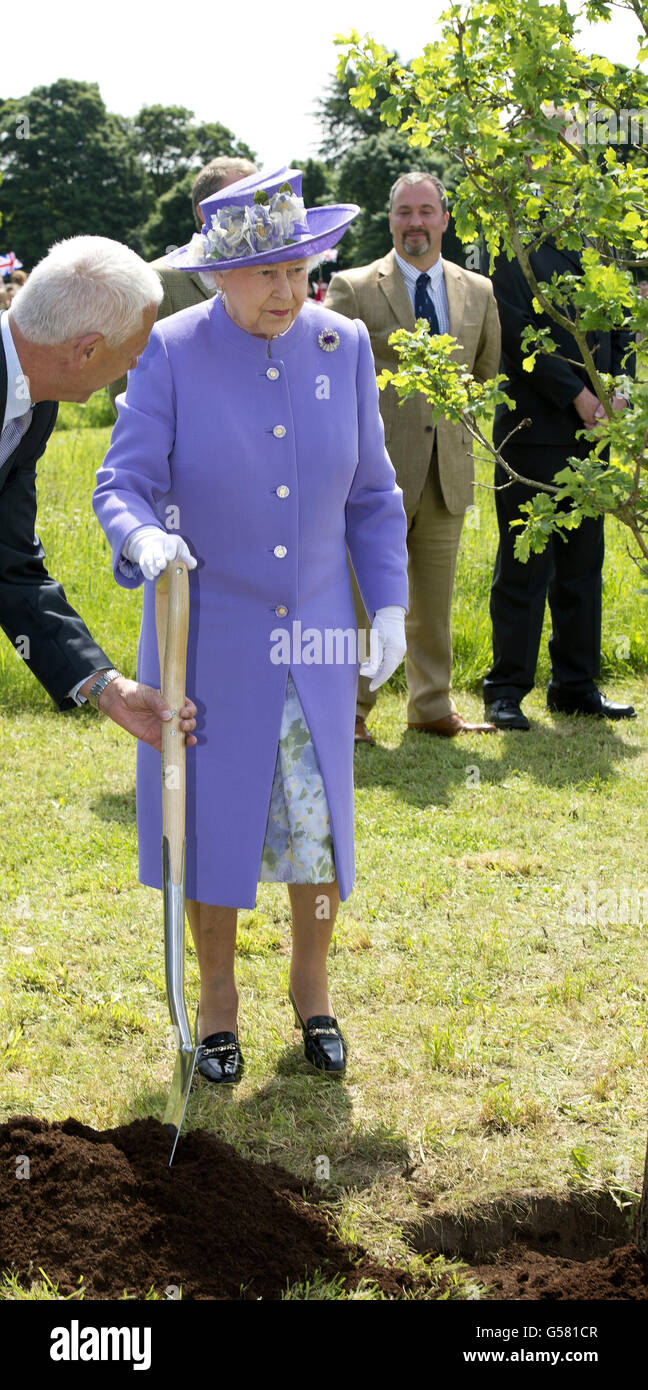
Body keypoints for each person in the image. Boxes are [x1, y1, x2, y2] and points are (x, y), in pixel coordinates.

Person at [93, 166, 409, 1080]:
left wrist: (384, 604)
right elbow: (124, 482)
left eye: (299, 267)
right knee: (213, 819)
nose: (288, 291)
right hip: (209, 636)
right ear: (215, 274)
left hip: (315, 636)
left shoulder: (342, 345)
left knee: (317, 826)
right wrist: (144, 538)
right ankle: (220, 998)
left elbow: (373, 495)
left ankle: (311, 991)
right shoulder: (172, 350)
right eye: (265, 273)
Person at [1, 235, 196, 748]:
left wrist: (107, 689)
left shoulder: (34, 405)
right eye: (134, 351)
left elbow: (10, 564)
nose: (135, 367)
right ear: (86, 349)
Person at [327, 171, 501, 743]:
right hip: (373, 477)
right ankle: (350, 711)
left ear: (445, 219)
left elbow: (486, 376)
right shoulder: (352, 288)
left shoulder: (478, 291)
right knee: (362, 600)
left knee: (433, 601)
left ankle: (430, 706)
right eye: (404, 212)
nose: (416, 223)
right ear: (391, 219)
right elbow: (330, 383)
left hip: (446, 473)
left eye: (427, 211)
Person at [482, 240, 636, 730]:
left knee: (583, 564)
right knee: (523, 566)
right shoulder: (508, 236)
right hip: (533, 430)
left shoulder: (600, 236)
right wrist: (577, 396)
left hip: (596, 432)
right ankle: (505, 690)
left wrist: (619, 391)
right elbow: (512, 327)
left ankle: (575, 686)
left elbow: (621, 320)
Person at [107, 154, 257, 413]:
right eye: (242, 199)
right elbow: (124, 385)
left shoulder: (271, 278)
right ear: (204, 211)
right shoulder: (156, 281)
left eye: (259, 199)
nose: (256, 211)